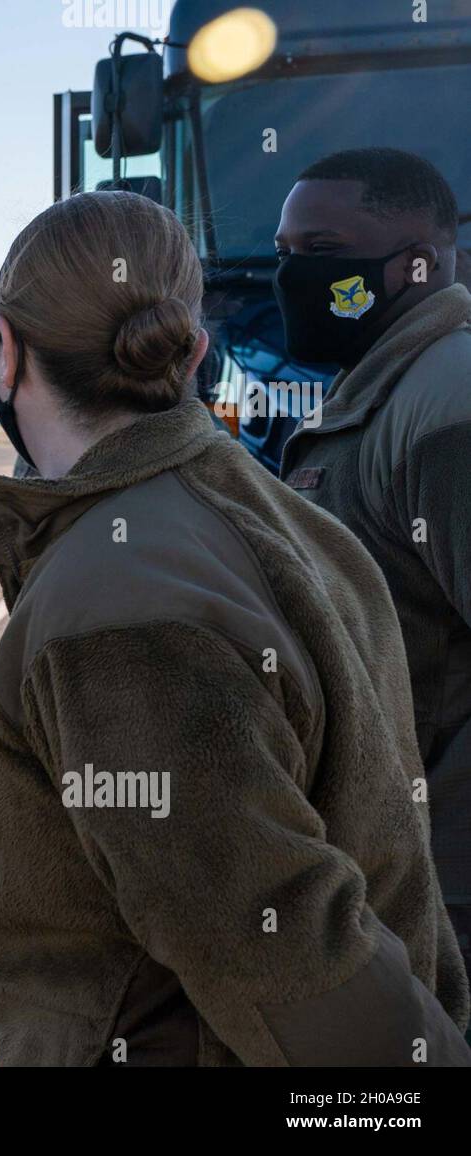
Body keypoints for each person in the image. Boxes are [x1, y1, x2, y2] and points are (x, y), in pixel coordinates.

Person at [0, 189, 469, 1066]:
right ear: (196, 353)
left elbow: (290, 954)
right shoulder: (280, 514)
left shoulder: (117, 606)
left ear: (7, 353)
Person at [276, 148, 471, 984]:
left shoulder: (446, 406)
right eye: (284, 253)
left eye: (320, 254)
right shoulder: (384, 387)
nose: (292, 277)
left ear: (417, 263)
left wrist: (446, 872)